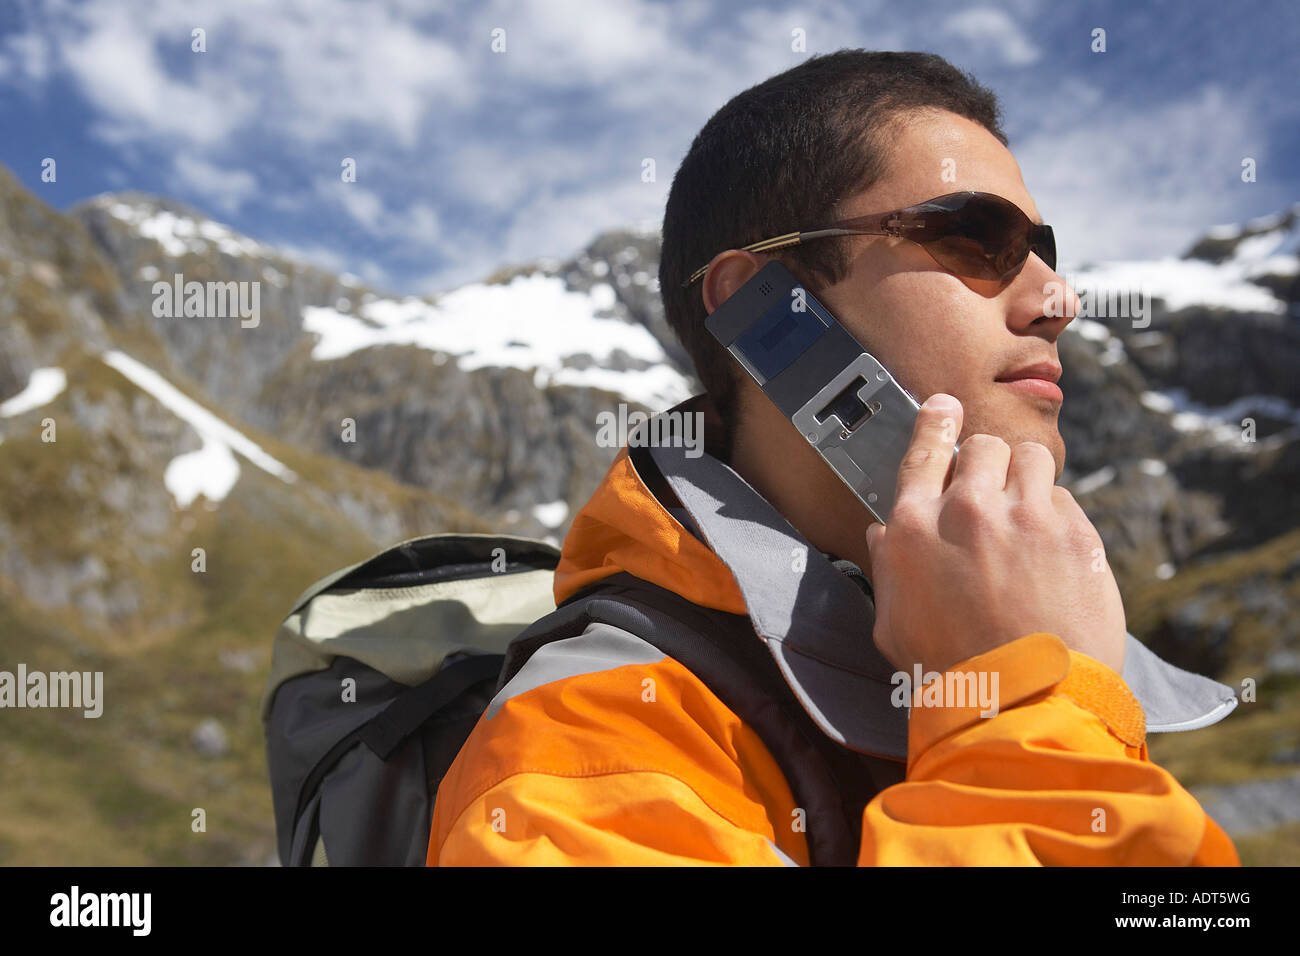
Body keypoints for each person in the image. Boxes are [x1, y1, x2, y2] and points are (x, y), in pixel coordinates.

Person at [426, 49, 1240, 866]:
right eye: (973, 235)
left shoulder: (1064, 651)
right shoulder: (580, 758)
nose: (1059, 302)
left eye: (1044, 253)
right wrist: (1023, 712)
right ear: (765, 303)